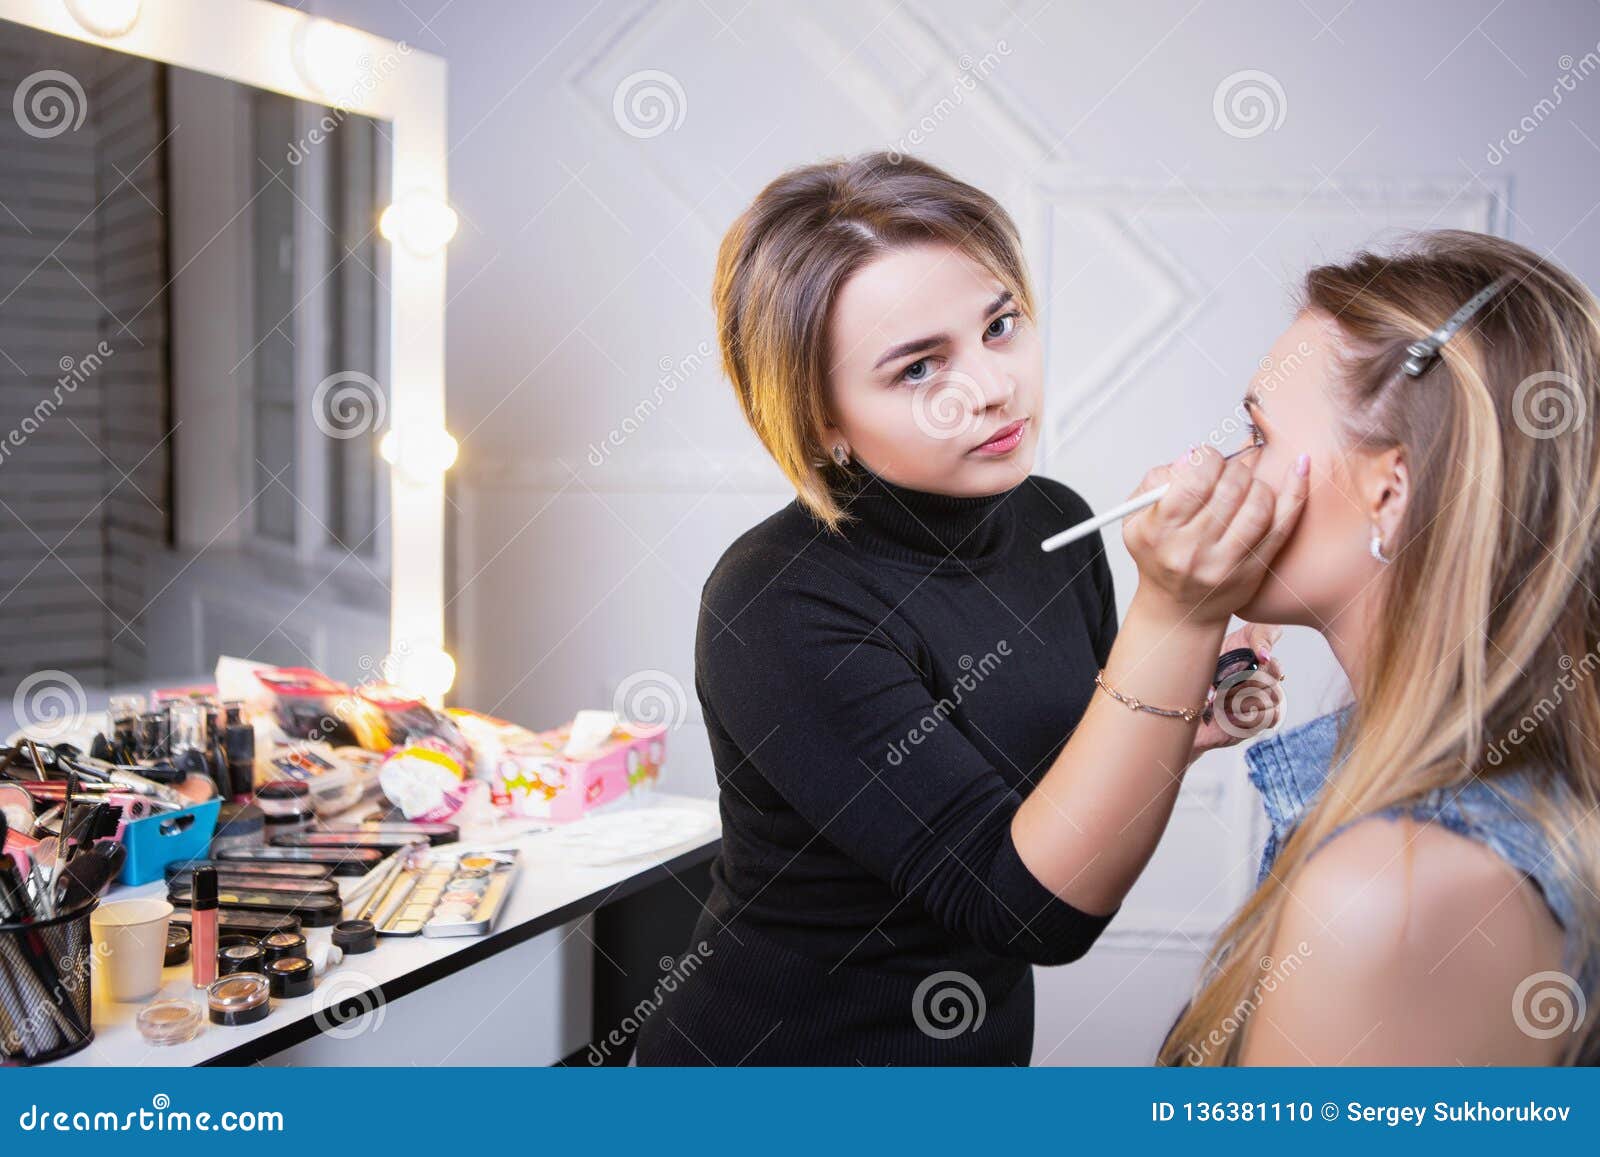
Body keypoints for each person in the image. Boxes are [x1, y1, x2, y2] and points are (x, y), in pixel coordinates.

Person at [634, 151, 1305, 1065]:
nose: (990, 386)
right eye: (917, 369)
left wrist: (1184, 703)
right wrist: (1175, 616)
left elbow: (1053, 781)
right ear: (818, 415)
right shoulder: (777, 602)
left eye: (1000, 324)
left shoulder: (1054, 519)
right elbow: (1025, 905)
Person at [1159, 229, 1600, 1066]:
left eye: (1259, 436)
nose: (1224, 471)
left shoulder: (1394, 899)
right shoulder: (1436, 810)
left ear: (1390, 493)